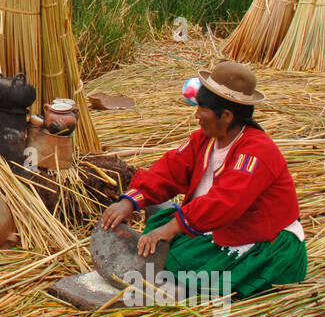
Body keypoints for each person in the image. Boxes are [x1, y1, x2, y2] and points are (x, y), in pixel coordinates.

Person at [100, 61, 307, 300]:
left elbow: (225, 202)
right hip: (211, 226)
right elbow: (169, 169)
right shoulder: (205, 140)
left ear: (226, 116)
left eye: (202, 108)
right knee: (158, 228)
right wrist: (130, 201)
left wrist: (170, 230)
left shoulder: (256, 151)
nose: (197, 115)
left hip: (260, 241)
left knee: (177, 259)